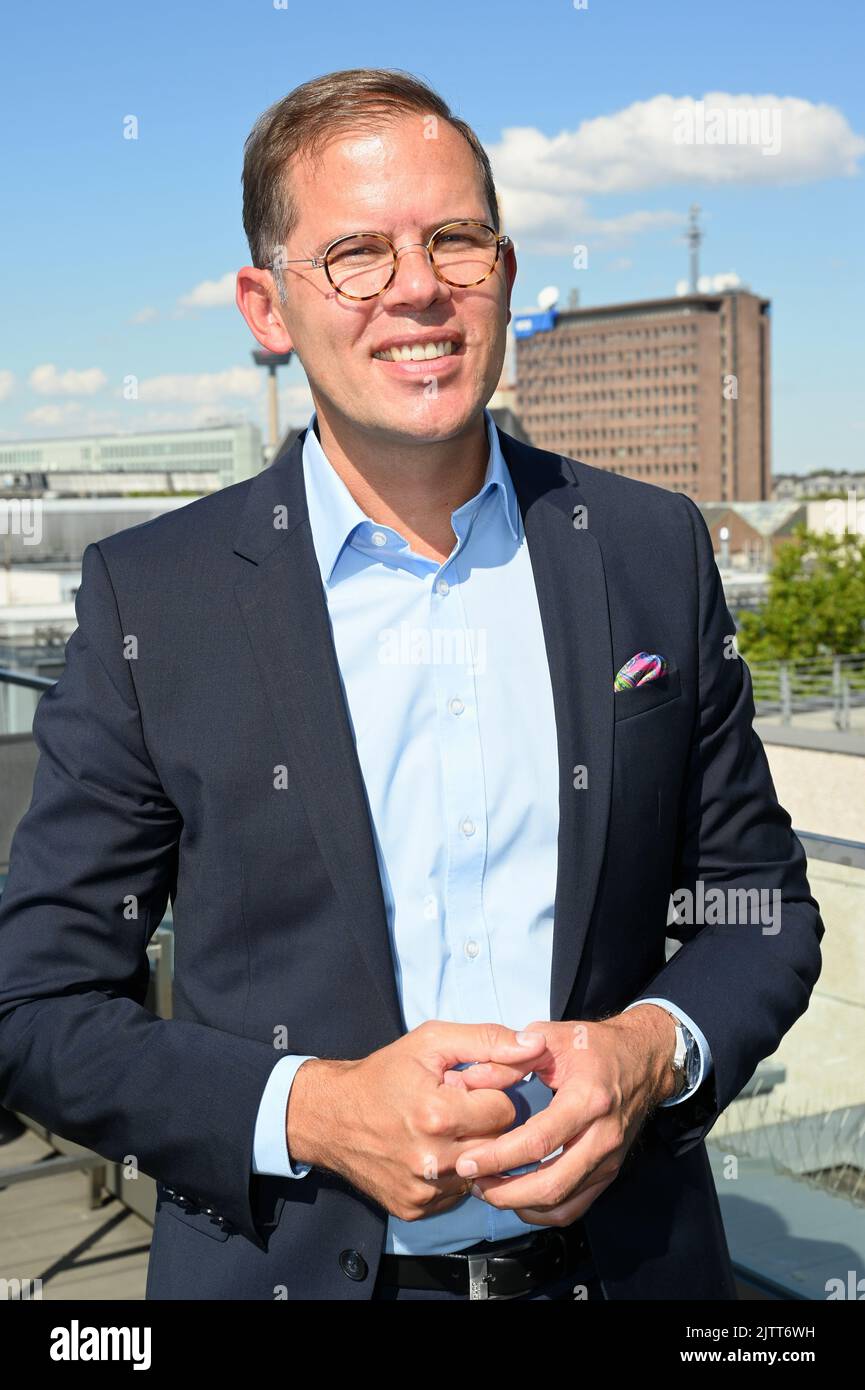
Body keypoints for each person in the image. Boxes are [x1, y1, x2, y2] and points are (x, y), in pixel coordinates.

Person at [0, 68, 823, 1302]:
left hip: (631, 1272)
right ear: (265, 308)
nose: (418, 287)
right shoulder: (153, 601)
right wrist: (313, 1109)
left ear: (500, 266)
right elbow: (38, 1003)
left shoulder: (650, 550)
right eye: (354, 254)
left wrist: (652, 1048)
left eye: (453, 239)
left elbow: (758, 906)